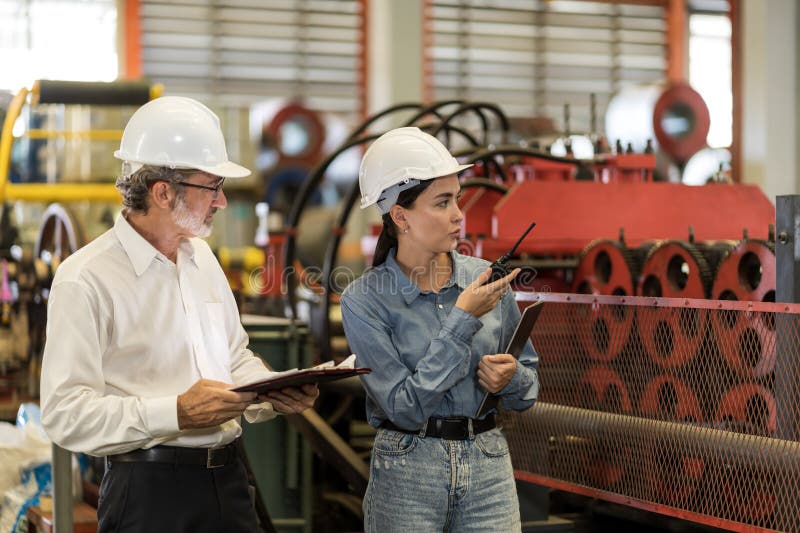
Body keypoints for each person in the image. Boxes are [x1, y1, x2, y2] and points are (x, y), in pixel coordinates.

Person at [40, 96, 319, 533]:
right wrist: (176, 413)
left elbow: (233, 355)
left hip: (228, 482)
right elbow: (65, 415)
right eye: (212, 187)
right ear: (163, 192)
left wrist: (271, 390)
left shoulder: (202, 259)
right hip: (149, 493)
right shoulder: (85, 279)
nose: (222, 202)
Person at [340, 127, 539, 532]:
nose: (458, 215)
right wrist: (463, 318)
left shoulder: (484, 279)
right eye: (442, 202)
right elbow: (404, 408)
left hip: (488, 465)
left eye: (457, 200)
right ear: (400, 216)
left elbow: (529, 386)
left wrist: (512, 378)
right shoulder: (365, 300)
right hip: (408, 471)